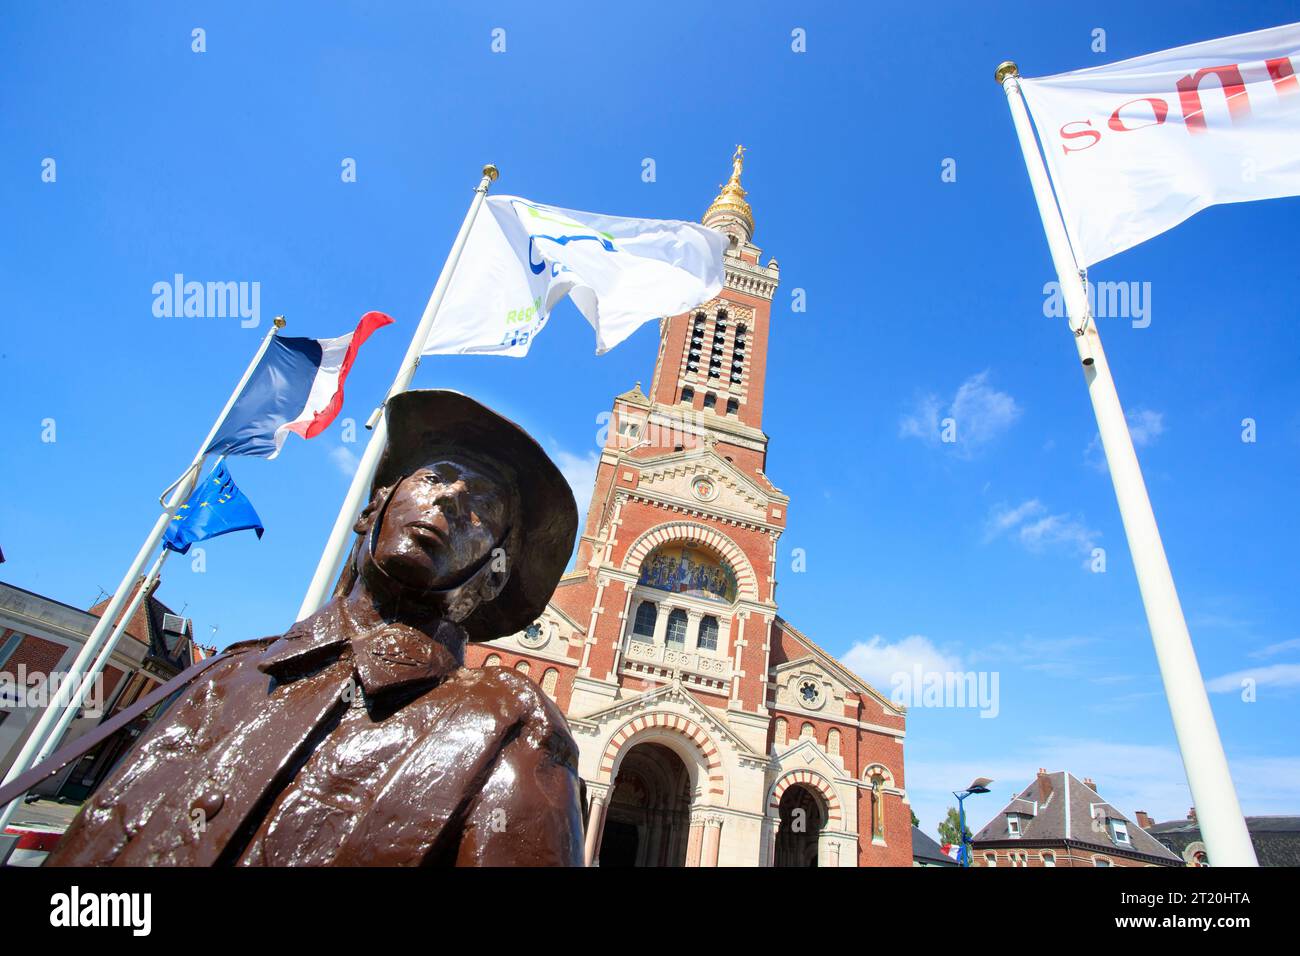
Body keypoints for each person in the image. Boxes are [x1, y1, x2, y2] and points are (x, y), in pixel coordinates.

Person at [46, 390, 583, 866]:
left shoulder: (509, 723)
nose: (447, 499)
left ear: (493, 577)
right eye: (433, 477)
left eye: (480, 508)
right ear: (373, 507)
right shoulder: (230, 675)